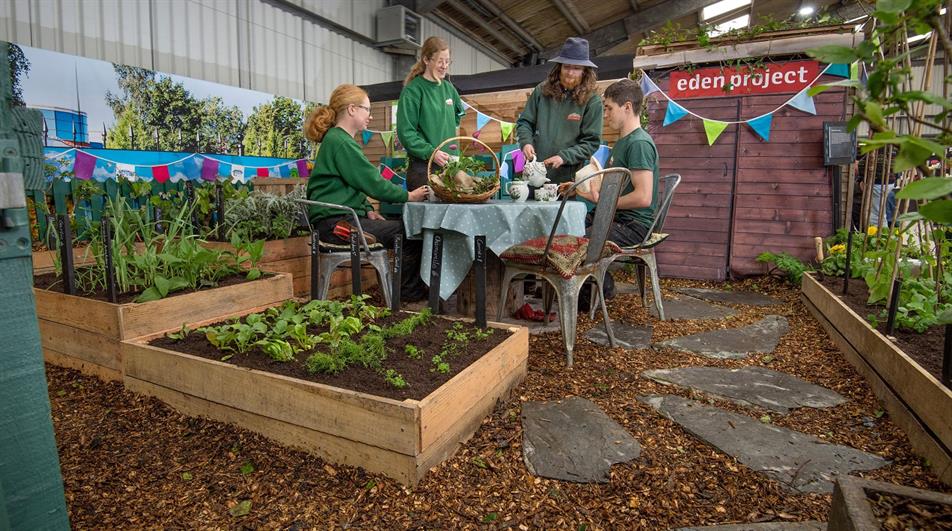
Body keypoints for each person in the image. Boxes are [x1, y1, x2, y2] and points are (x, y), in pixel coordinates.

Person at [304, 84, 430, 301]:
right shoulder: (341, 142)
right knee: (411, 231)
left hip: (336, 221)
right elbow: (373, 182)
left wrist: (368, 209)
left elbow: (352, 185)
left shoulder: (337, 139)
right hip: (337, 227)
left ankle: (404, 291)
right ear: (352, 109)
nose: (370, 116)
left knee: (404, 228)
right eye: (367, 110)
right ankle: (408, 295)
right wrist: (409, 196)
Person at [561, 78, 660, 307]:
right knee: (567, 227)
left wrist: (606, 204)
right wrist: (581, 190)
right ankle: (585, 289)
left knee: (579, 241)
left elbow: (643, 197)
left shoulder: (639, 143)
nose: (605, 115)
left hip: (633, 225)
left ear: (627, 107)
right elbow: (609, 193)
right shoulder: (623, 142)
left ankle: (597, 292)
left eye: (609, 108)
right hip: (615, 217)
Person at [516, 37, 603, 185]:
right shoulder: (541, 91)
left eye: (576, 68)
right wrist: (526, 142)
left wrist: (564, 157)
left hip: (566, 179)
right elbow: (524, 122)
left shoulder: (592, 101)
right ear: (559, 67)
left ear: (585, 71)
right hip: (532, 172)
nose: (570, 72)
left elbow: (591, 142)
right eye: (566, 67)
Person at [397, 36, 466, 190]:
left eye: (447, 61)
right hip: (424, 167)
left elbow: (458, 116)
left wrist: (447, 135)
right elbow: (406, 133)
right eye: (440, 61)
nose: (444, 66)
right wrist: (431, 152)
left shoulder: (449, 89)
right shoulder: (413, 91)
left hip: (451, 166)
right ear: (426, 60)